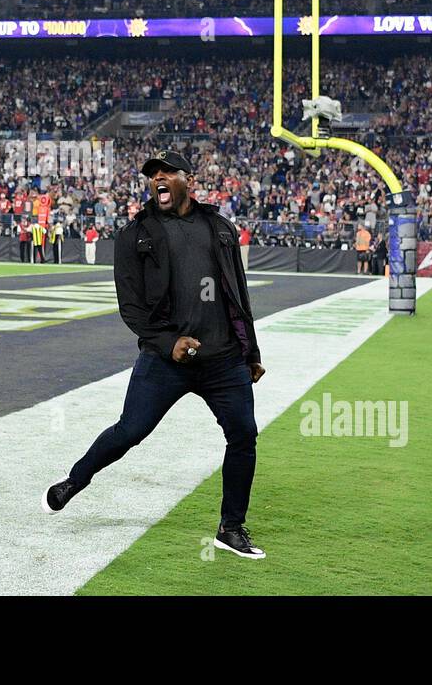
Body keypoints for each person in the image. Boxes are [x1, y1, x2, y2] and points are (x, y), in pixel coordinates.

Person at [44, 150, 266, 560]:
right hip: (165, 361)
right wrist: (169, 343)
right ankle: (76, 479)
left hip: (223, 359)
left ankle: (231, 527)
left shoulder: (219, 227)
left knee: (244, 436)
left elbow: (238, 293)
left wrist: (250, 349)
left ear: (187, 179)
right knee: (130, 431)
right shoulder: (135, 235)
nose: (157, 179)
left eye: (167, 173)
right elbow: (131, 307)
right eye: (152, 175)